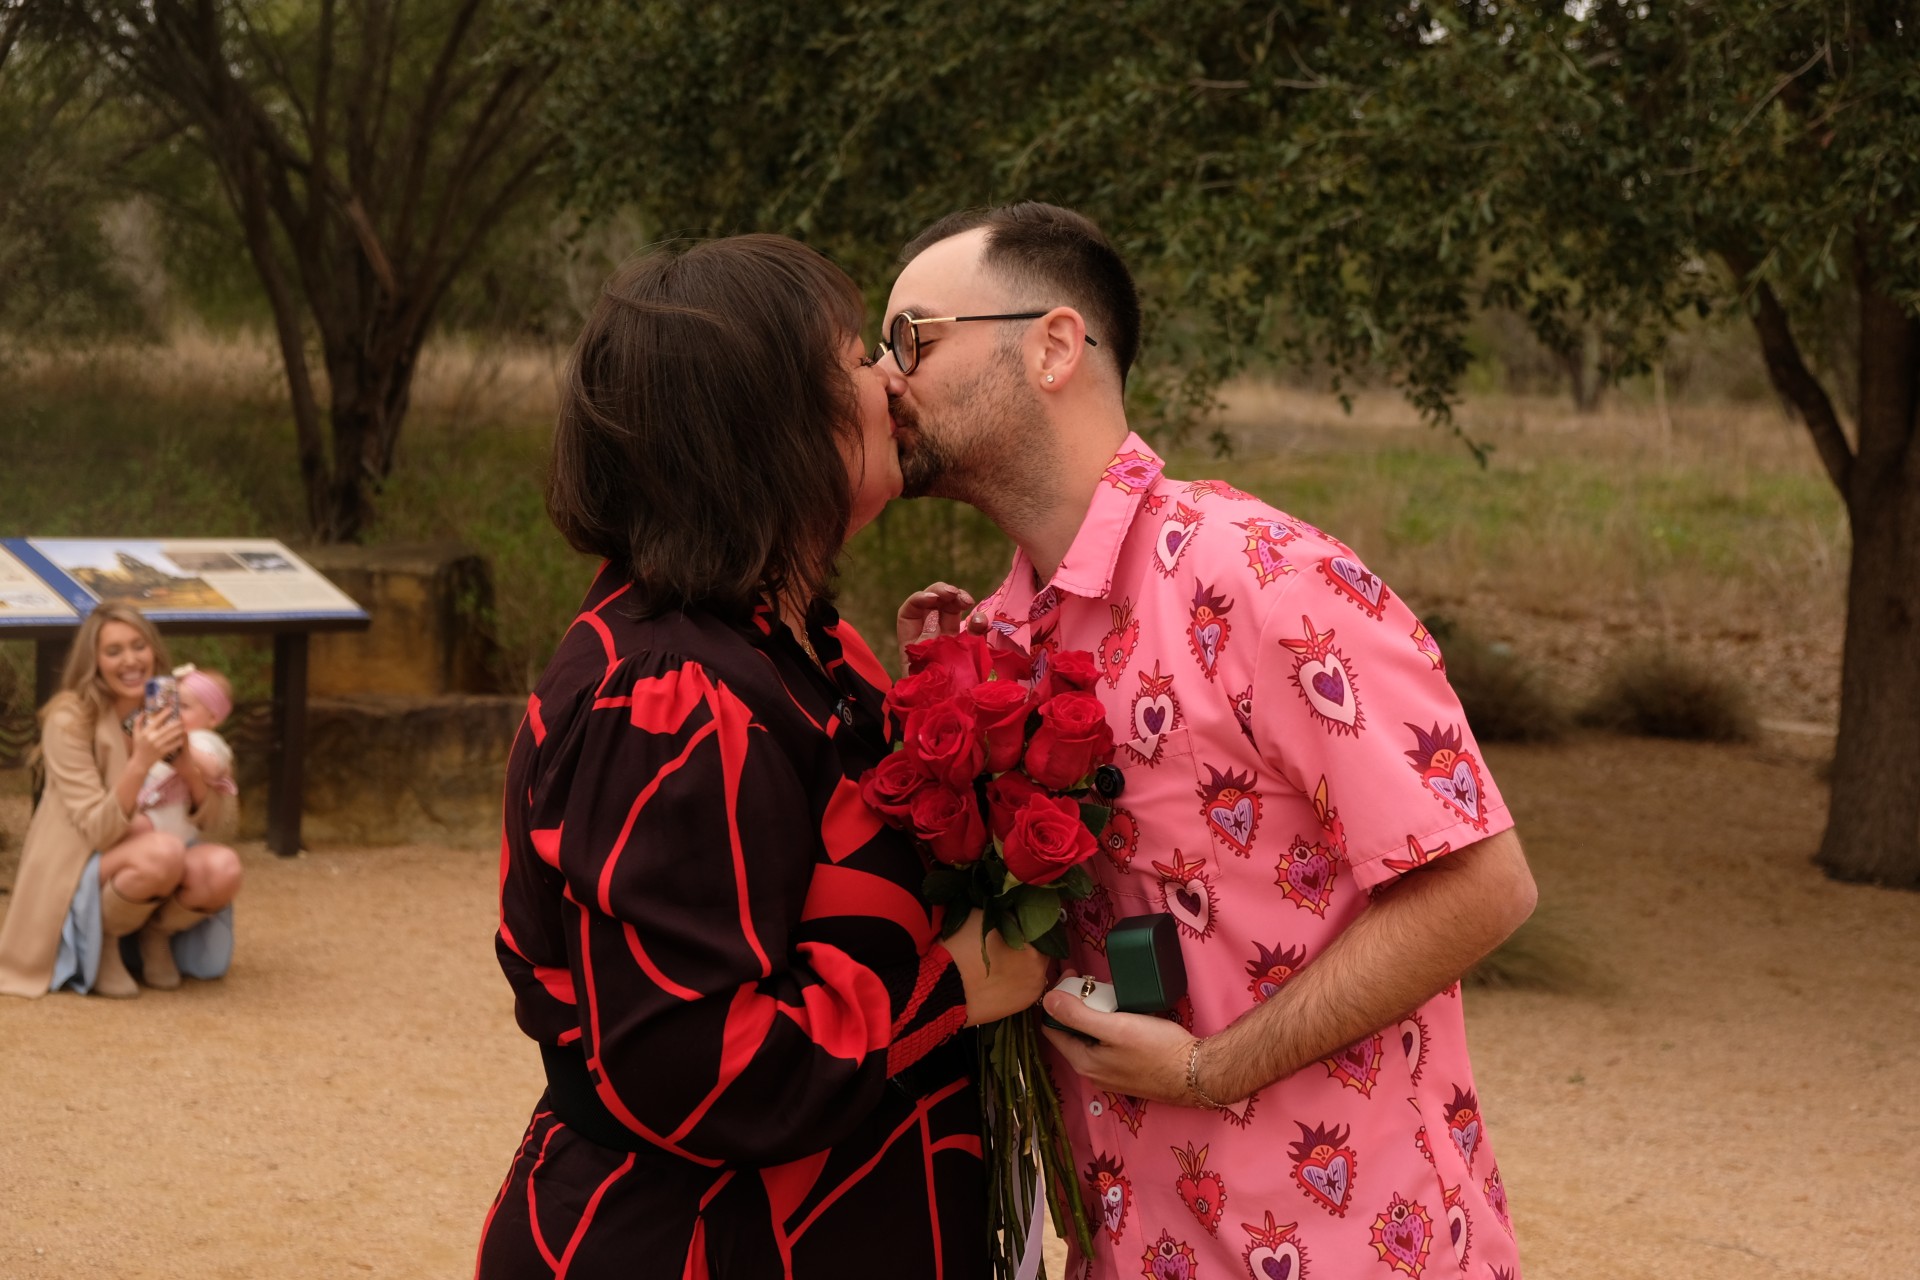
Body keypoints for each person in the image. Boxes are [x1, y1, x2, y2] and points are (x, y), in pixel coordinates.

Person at [880, 203, 1538, 1279]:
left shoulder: (1268, 579)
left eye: (911, 337)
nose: (885, 375)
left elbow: (1482, 882)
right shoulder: (994, 640)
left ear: (1052, 345)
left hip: (1353, 1245)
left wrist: (1208, 1069)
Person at [473, 235, 1049, 1279]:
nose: (889, 380)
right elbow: (700, 1065)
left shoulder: (805, 644)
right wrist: (950, 987)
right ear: (764, 429)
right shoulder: (666, 698)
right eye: (853, 358)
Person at [0, 603, 244, 999]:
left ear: (154, 651)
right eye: (113, 651)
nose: (130, 660)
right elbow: (99, 830)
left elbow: (222, 824)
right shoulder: (70, 719)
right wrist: (142, 762)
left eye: (138, 646)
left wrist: (186, 768)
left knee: (223, 867)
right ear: (93, 660)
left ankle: (154, 935)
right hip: (82, 860)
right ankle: (105, 944)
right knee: (162, 853)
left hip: (151, 856)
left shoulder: (172, 710)